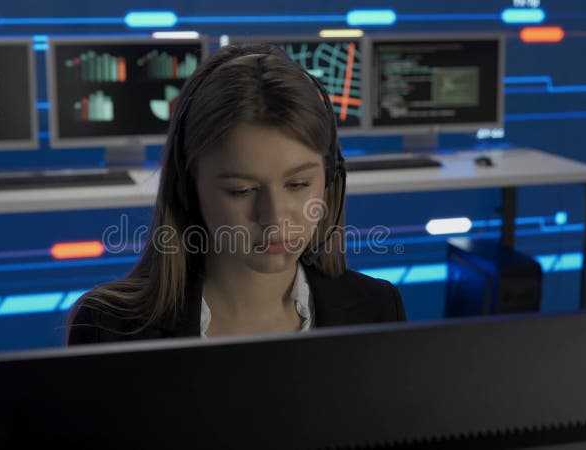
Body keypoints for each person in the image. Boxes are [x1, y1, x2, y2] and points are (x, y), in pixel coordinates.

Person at [67, 43, 405, 345]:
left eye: (299, 184)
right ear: (188, 188)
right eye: (240, 190)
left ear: (331, 179)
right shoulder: (107, 328)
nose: (273, 216)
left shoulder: (378, 309)